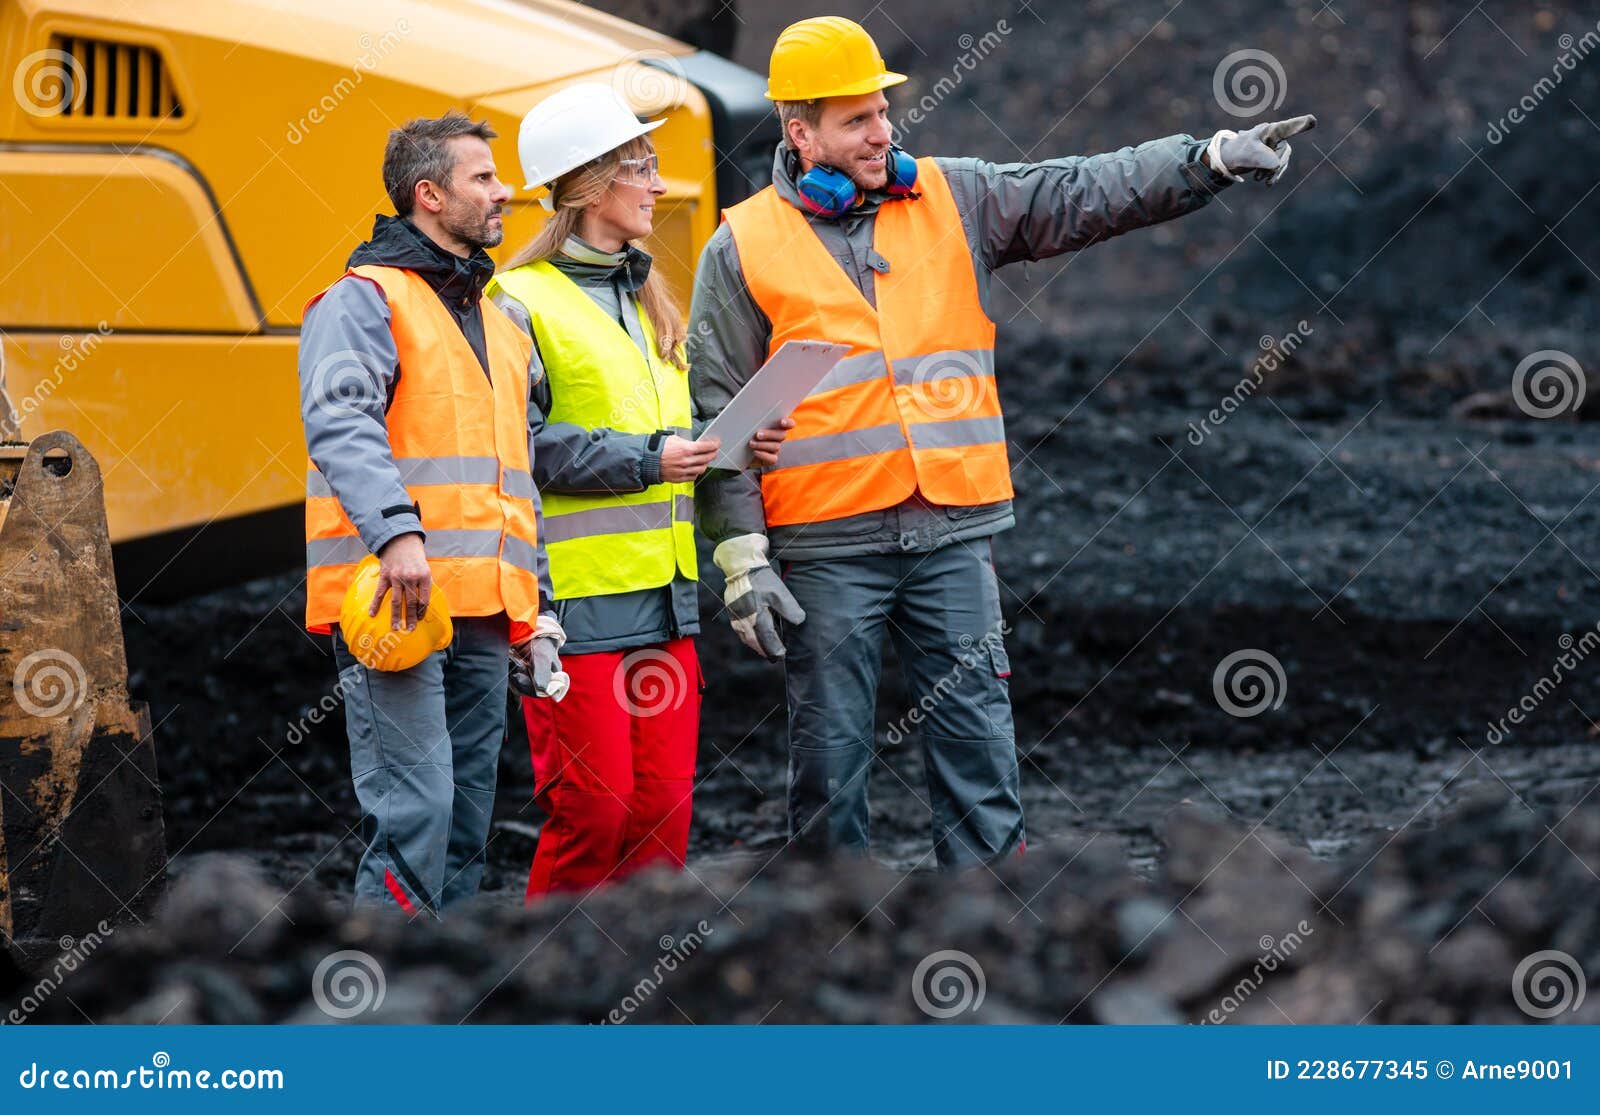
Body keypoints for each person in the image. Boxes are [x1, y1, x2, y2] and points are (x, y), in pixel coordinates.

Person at [690, 16, 1314, 867]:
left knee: (979, 744)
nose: (882, 132)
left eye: (882, 111)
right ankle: (830, 939)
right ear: (801, 134)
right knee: (829, 763)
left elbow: (1082, 191)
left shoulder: (955, 197)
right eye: (857, 121)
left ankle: (991, 927)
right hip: (828, 547)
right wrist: (741, 555)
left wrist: (1205, 161)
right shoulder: (742, 245)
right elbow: (718, 406)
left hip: (951, 533)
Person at [488, 85, 788, 899]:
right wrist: (652, 459)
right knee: (594, 813)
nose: (657, 183)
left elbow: (671, 431)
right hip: (574, 607)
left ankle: (638, 999)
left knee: (661, 820)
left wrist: (733, 442)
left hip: (664, 600)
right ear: (590, 186)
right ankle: (547, 991)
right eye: (640, 166)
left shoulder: (651, 298)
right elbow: (513, 446)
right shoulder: (516, 303)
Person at [299, 112, 564, 914]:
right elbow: (340, 423)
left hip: (486, 610)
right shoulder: (362, 301)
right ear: (429, 194)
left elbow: (513, 474)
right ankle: (381, 1010)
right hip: (398, 597)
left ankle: (444, 1000)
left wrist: (538, 607)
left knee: (464, 823)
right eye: (483, 177)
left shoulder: (502, 319)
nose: (504, 191)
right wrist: (397, 535)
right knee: (417, 810)